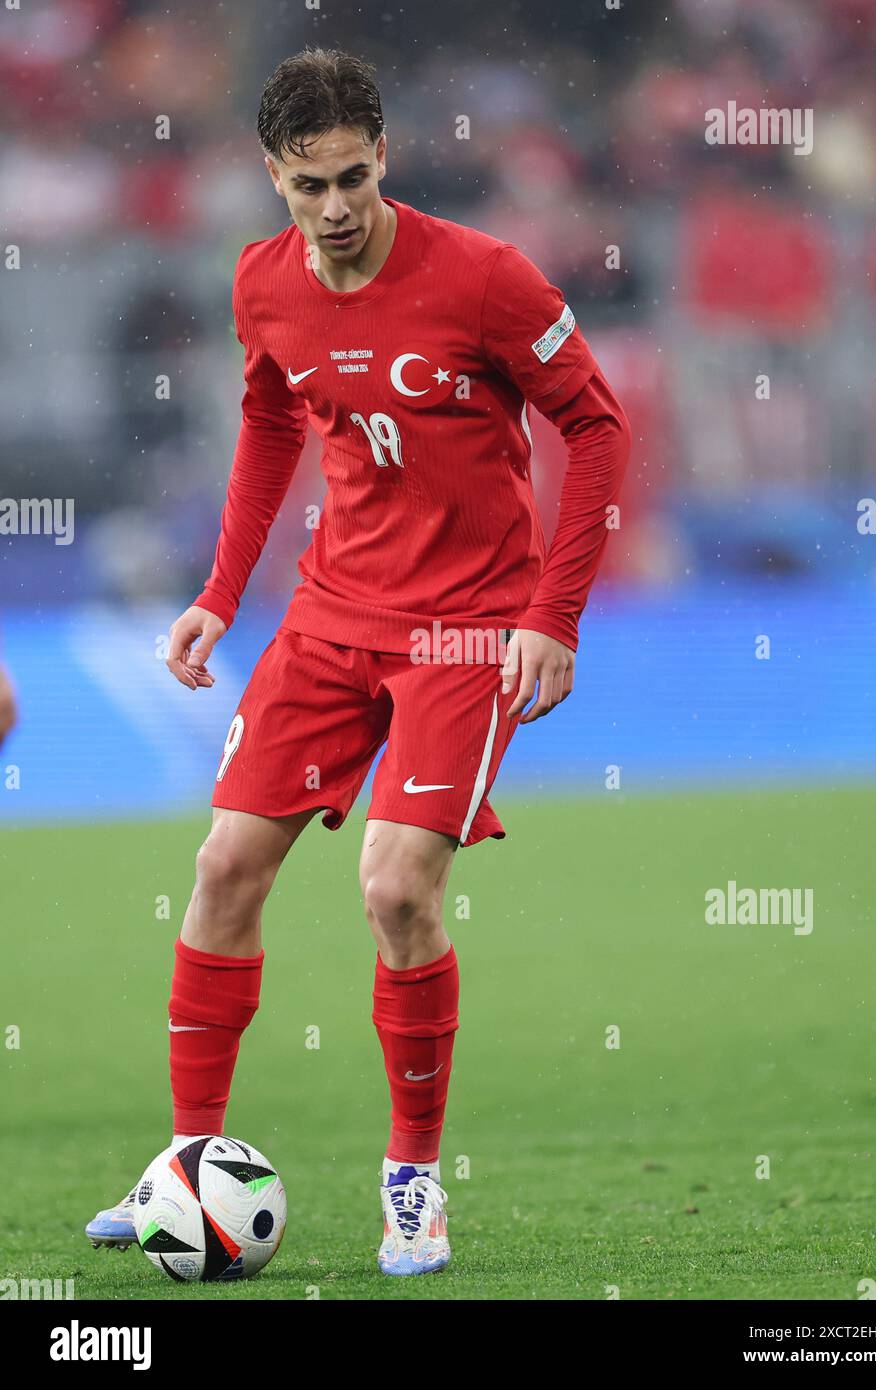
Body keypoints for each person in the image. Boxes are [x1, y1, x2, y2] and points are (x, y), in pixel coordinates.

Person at [85, 45, 630, 1277]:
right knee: (222, 865)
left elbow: (596, 426)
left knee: (394, 891)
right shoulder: (263, 284)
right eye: (306, 185)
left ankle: (412, 1182)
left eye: (350, 178)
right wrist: (220, 596)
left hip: (466, 630)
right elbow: (272, 418)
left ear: (382, 155)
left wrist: (555, 614)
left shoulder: (483, 277)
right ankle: (186, 1165)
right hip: (331, 615)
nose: (332, 208)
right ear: (271, 176)